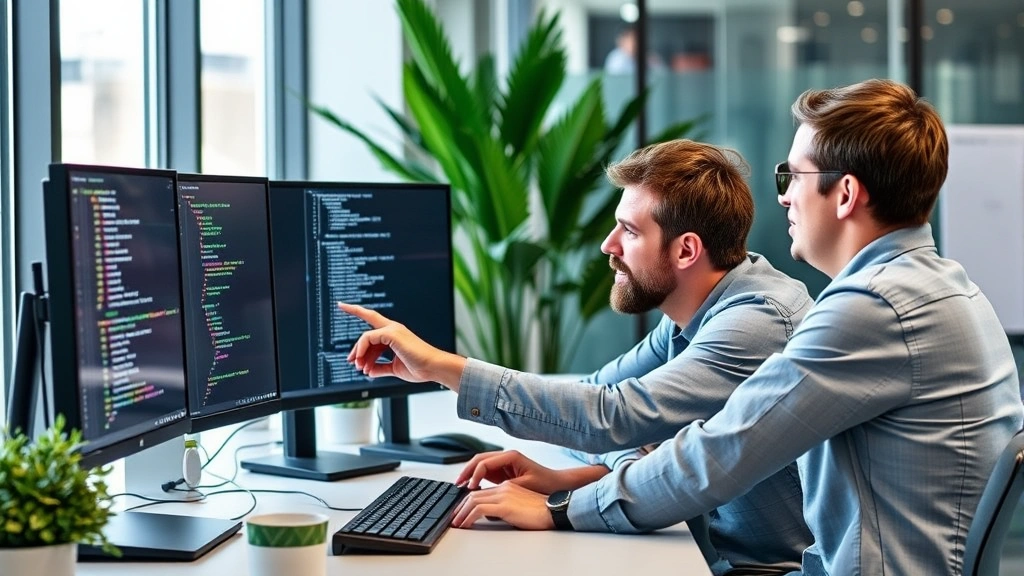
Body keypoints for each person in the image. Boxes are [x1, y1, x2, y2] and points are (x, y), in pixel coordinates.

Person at [350, 78, 1024, 575]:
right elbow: (609, 403)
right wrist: (573, 481)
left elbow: (715, 453)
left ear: (845, 194)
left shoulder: (873, 311)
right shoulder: (923, 288)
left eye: (795, 173)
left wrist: (559, 505)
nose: (783, 193)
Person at [345, 139, 815, 575]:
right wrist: (570, 477)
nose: (608, 246)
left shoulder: (757, 323)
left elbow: (610, 418)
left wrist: (439, 366)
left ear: (686, 250)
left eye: (628, 231)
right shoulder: (691, 316)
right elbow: (597, 400)